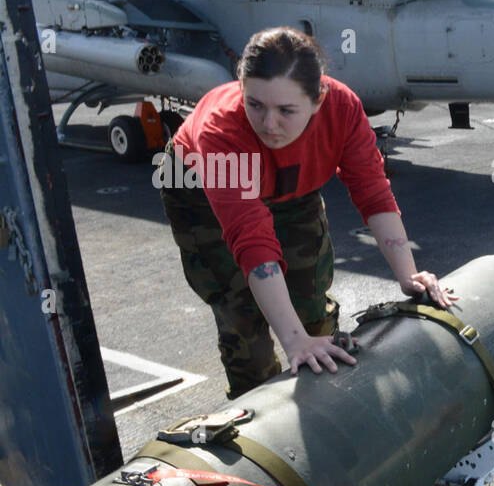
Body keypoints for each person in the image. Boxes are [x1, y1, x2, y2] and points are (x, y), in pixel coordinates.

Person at [160, 26, 456, 399]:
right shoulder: (221, 129)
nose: (269, 124)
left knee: (311, 299)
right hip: (202, 192)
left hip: (289, 182)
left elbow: (374, 194)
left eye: (286, 110)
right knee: (244, 317)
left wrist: (408, 275)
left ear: (318, 100)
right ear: (241, 90)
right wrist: (294, 340)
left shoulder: (342, 110)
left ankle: (324, 397)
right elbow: (250, 237)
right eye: (255, 105)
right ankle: (259, 414)